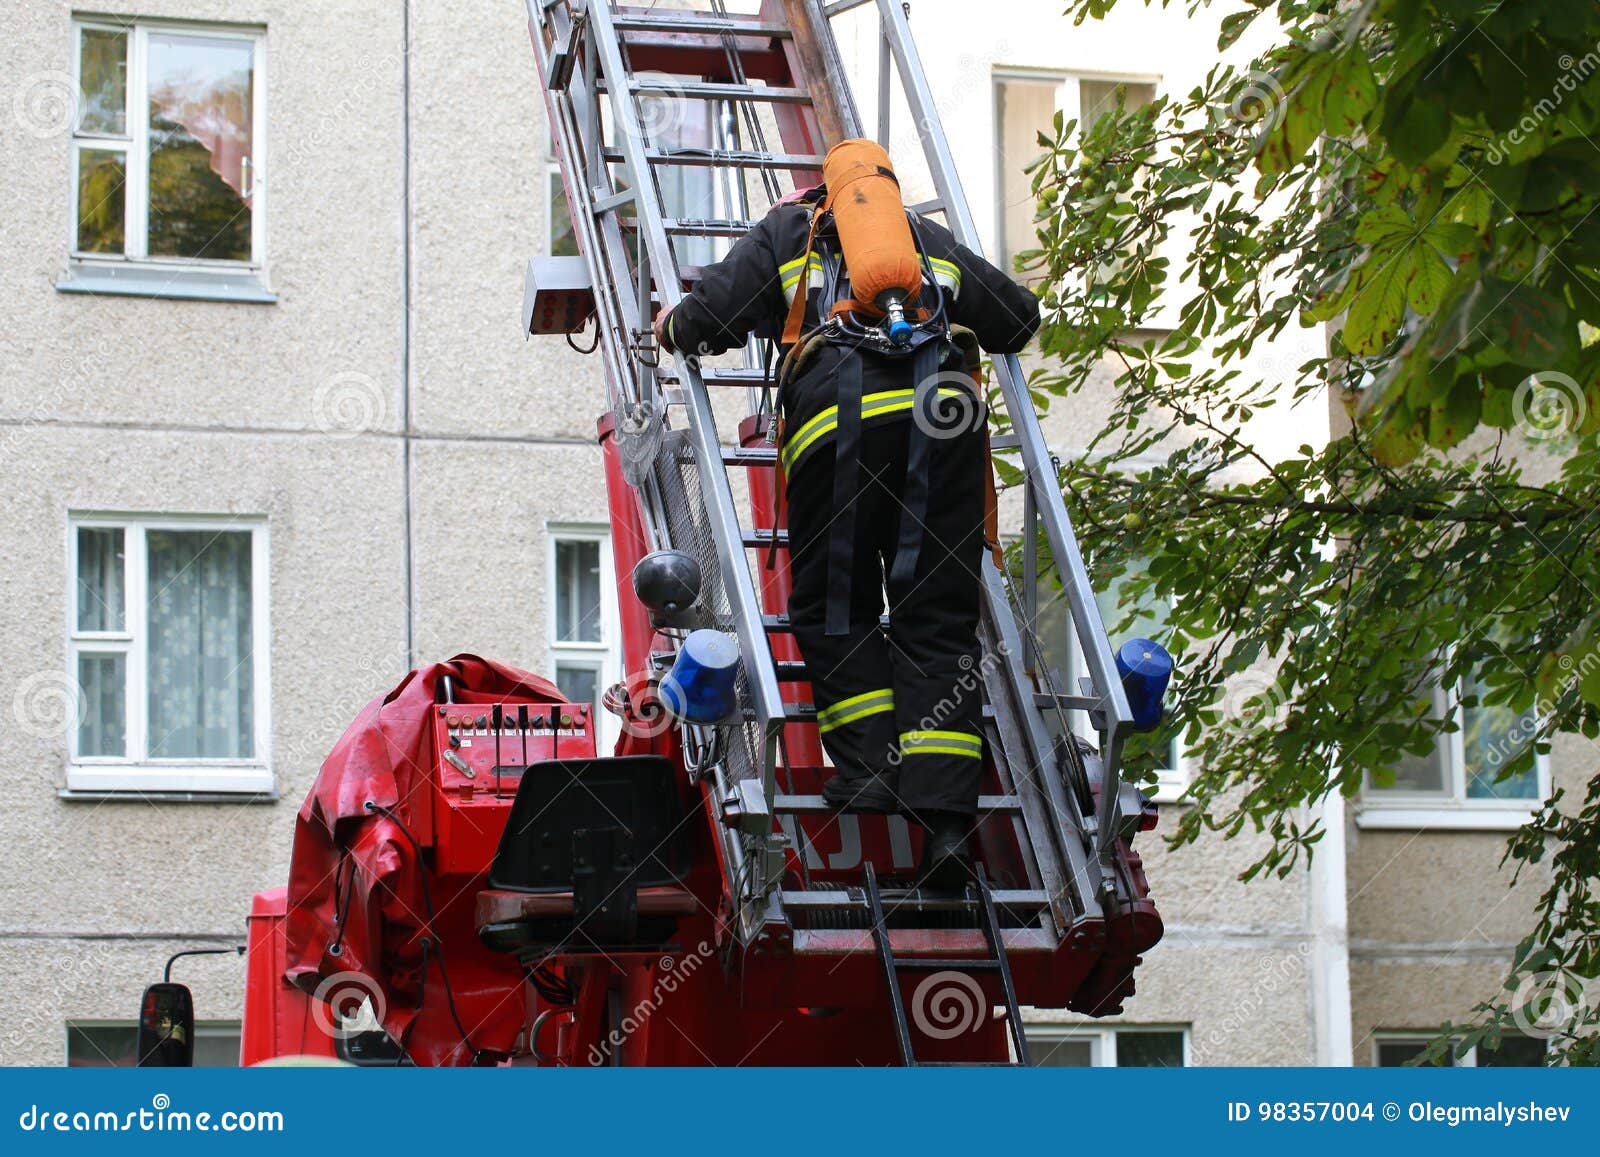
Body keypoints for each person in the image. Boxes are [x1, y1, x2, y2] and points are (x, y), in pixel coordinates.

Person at [654, 140, 1039, 885]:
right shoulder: (926, 244)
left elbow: (710, 319)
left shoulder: (788, 231)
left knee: (836, 605)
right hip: (947, 419)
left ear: (822, 190)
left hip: (840, 422)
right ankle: (947, 827)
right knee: (936, 619)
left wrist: (671, 329)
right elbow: (1018, 319)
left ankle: (869, 768)